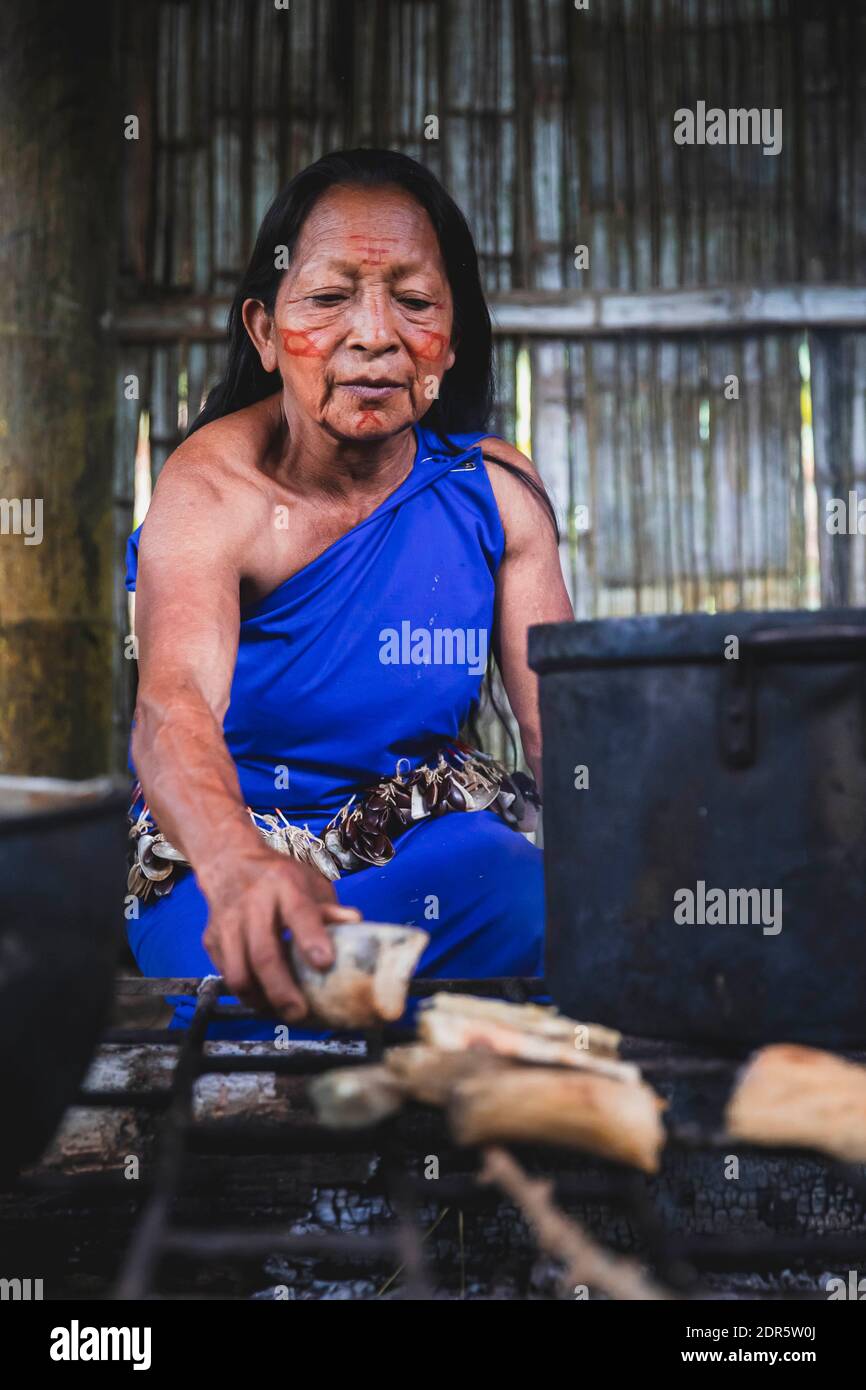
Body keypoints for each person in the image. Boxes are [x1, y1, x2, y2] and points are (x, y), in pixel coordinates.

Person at [124, 148, 573, 1039]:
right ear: (264, 329)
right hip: (226, 861)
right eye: (330, 299)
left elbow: (566, 731)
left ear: (450, 335)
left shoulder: (495, 494)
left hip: (422, 849)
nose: (374, 334)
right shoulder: (213, 491)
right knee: (257, 969)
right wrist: (242, 869)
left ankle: (372, 1021)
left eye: (413, 301)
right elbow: (171, 708)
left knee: (519, 892)